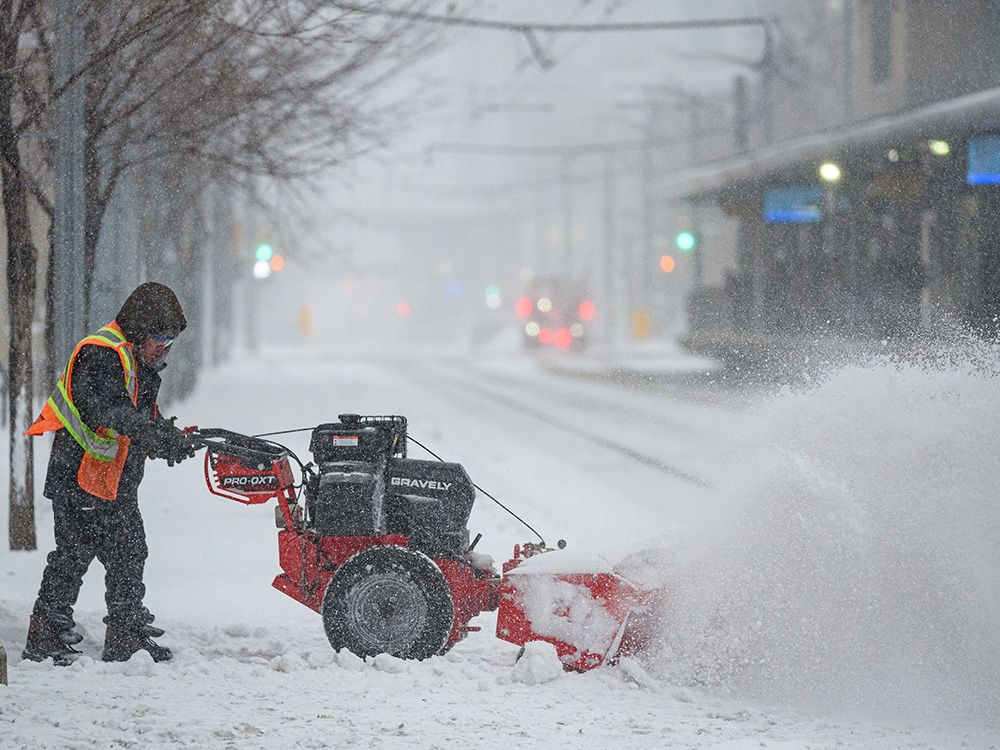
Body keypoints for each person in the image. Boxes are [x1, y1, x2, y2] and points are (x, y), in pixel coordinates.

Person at [22, 282, 200, 665]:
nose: (162, 347)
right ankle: (47, 634)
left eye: (170, 341)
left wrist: (167, 436)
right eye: (158, 337)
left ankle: (124, 634)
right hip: (79, 476)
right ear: (139, 329)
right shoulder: (103, 352)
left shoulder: (137, 360)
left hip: (108, 479)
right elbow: (111, 412)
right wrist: (153, 436)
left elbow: (138, 414)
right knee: (74, 554)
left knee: (128, 551)